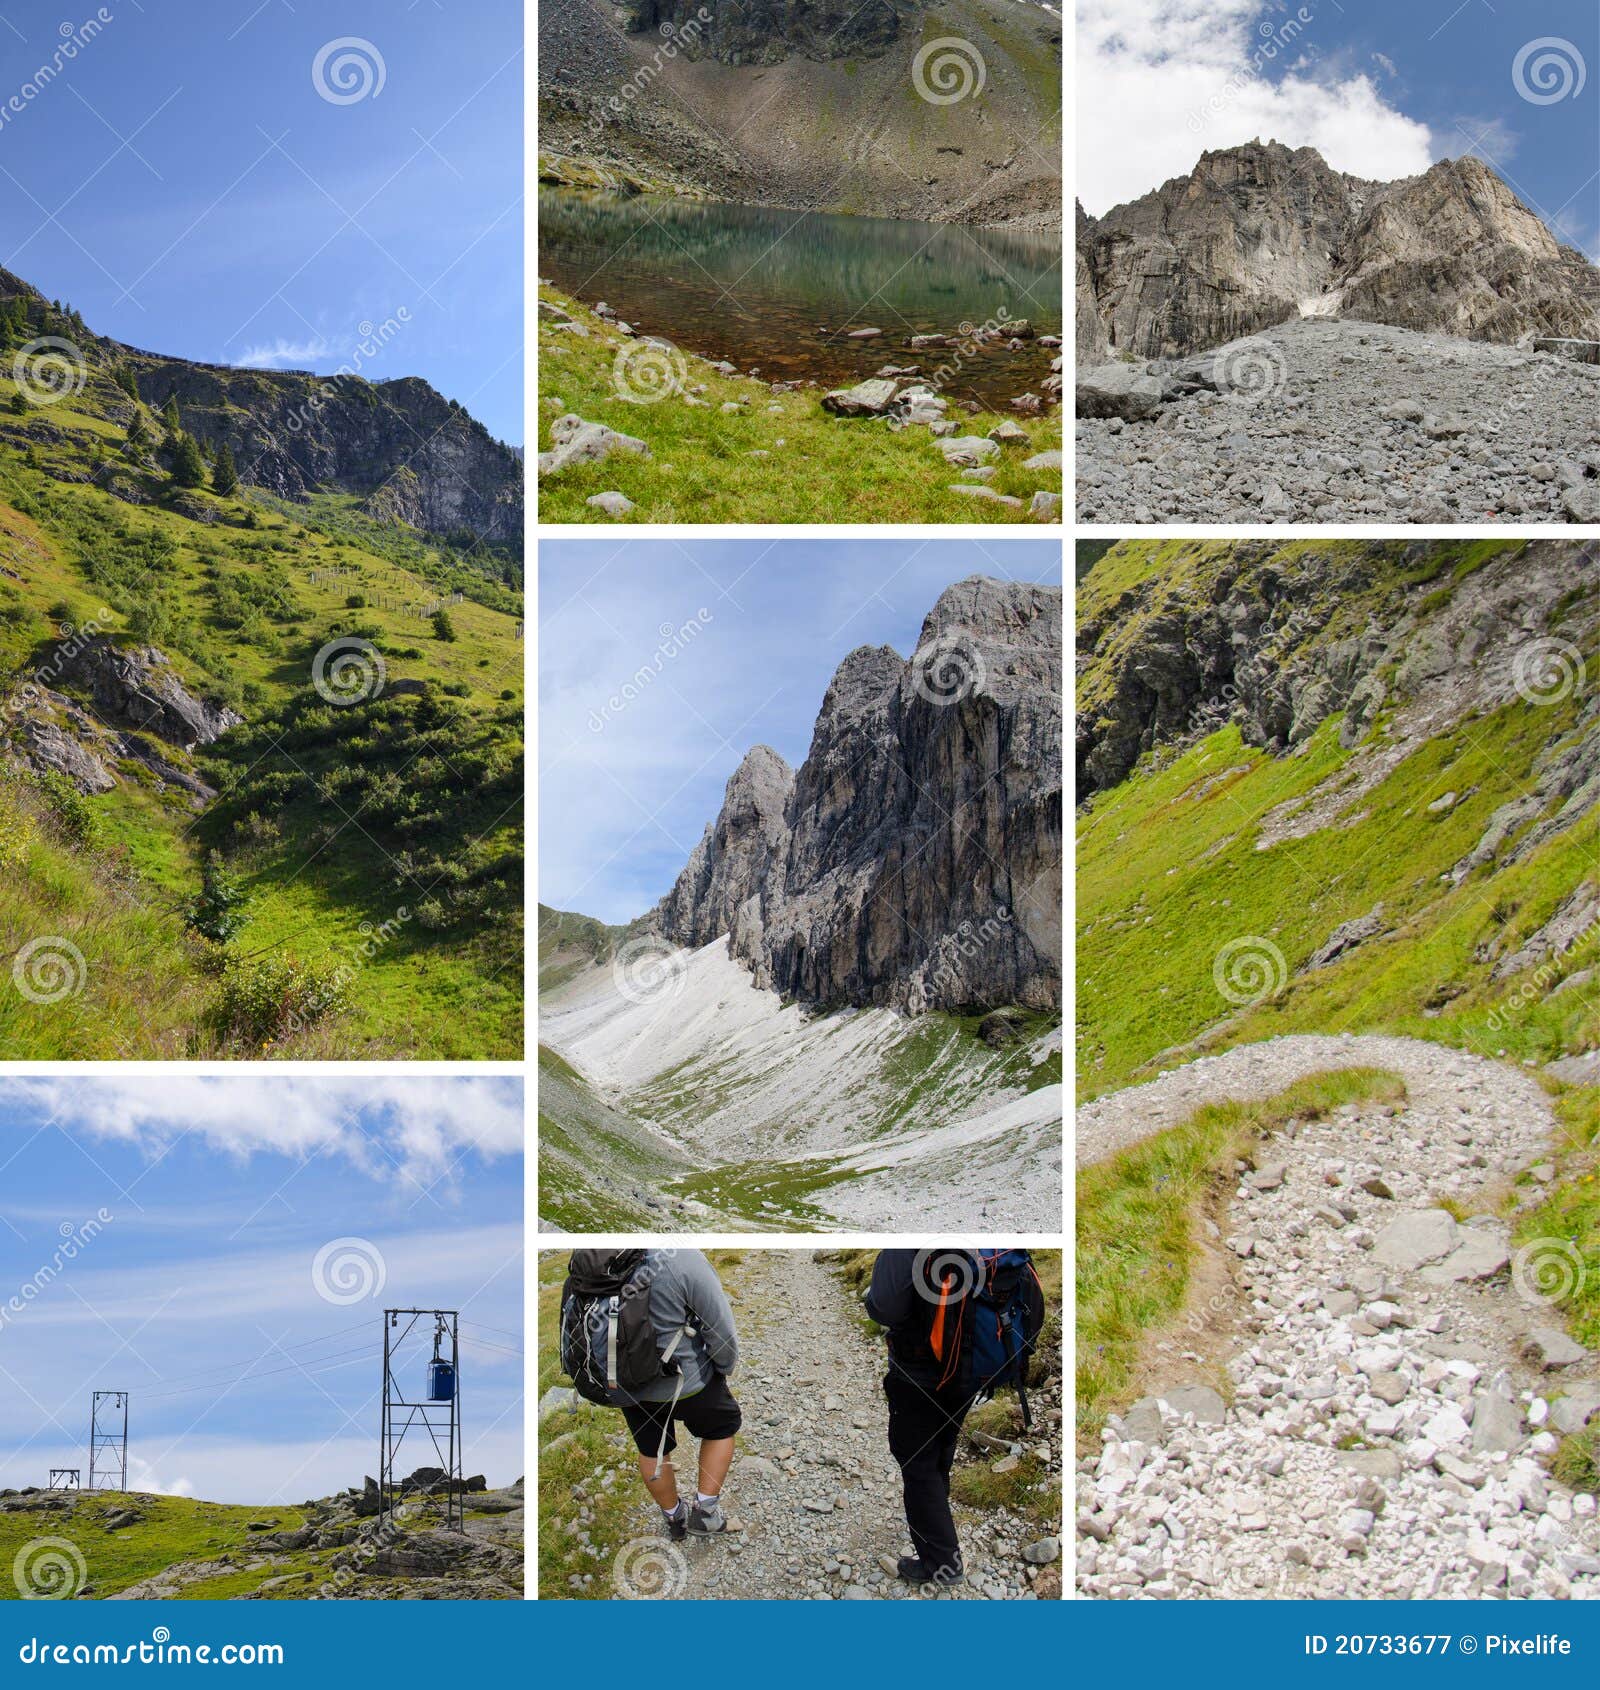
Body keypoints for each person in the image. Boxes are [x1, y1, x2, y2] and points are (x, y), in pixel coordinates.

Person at [866, 1248, 1043, 1587]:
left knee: (917, 1463)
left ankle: (940, 1564)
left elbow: (884, 1307)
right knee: (941, 1448)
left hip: (917, 1372)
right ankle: (937, 1515)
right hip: (970, 1370)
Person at [563, 1247, 742, 1541]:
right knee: (722, 1428)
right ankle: (706, 1512)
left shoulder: (587, 1263)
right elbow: (718, 1325)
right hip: (688, 1382)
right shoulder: (681, 1257)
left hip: (626, 1384)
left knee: (651, 1449)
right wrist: (724, 1366)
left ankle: (674, 1518)